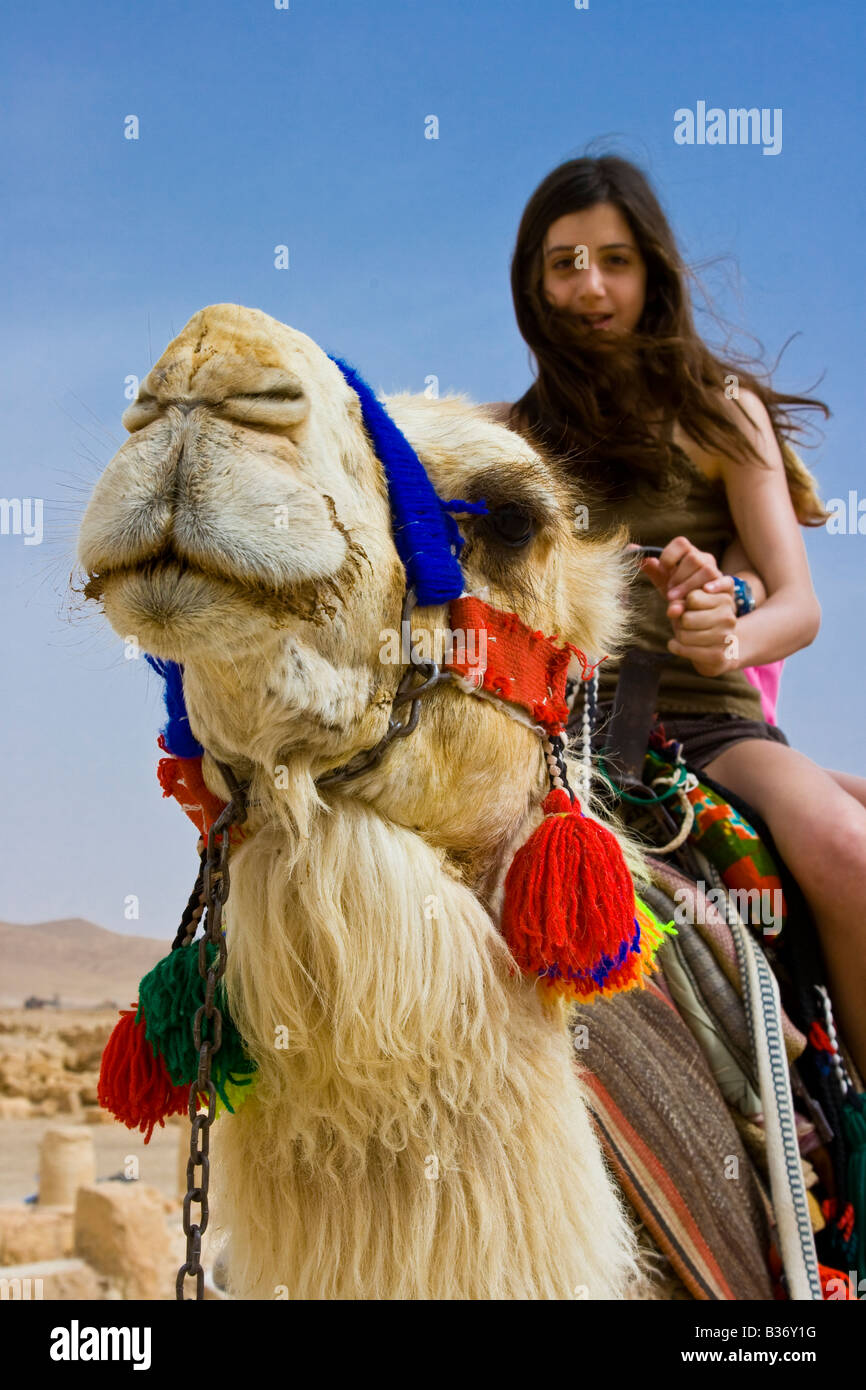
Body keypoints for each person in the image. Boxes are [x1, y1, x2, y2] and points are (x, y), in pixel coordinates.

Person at [485, 155, 866, 1076]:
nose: (591, 287)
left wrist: (726, 632)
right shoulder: (505, 442)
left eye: (615, 261)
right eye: (565, 263)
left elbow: (798, 604)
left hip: (710, 726)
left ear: (653, 272)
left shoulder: (721, 415)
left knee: (846, 850)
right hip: (550, 738)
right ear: (534, 284)